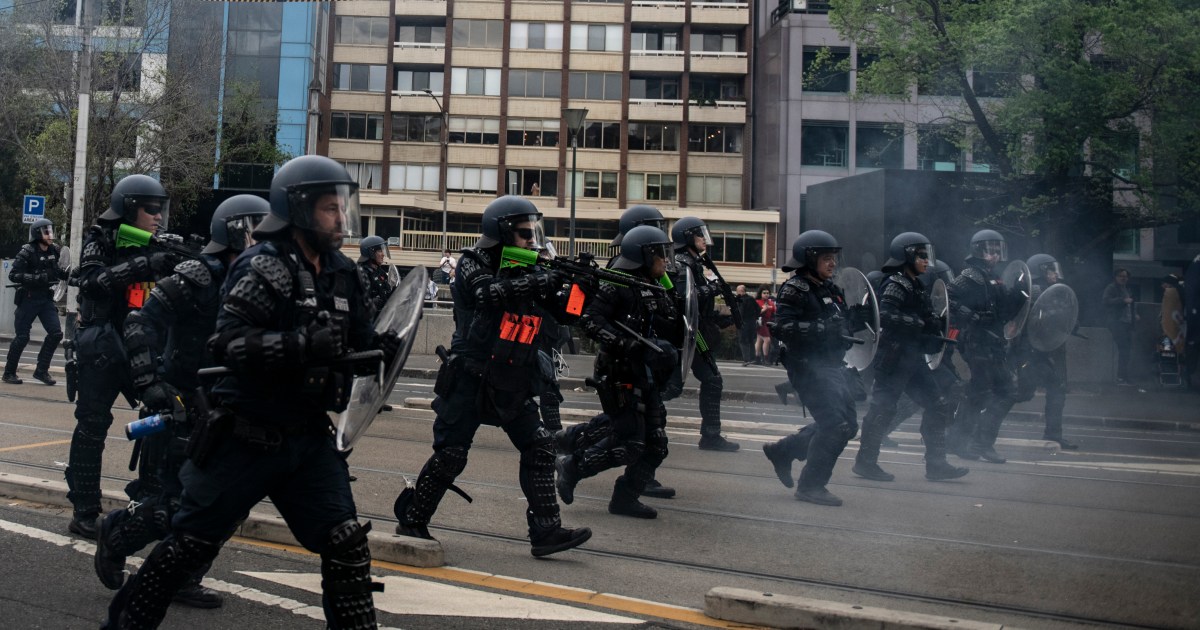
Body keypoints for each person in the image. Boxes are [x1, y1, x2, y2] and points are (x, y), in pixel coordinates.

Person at [101, 155, 398, 629]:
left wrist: (379, 347)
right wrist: (301, 344)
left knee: (345, 542)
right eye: (330, 209)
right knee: (188, 547)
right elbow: (228, 342)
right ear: (298, 209)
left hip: (307, 436)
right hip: (245, 437)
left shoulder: (342, 271)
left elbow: (360, 336)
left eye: (344, 207)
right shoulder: (265, 265)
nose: (342, 218)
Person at [93, 195, 270, 608]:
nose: (261, 239)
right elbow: (141, 321)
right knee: (178, 503)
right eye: (253, 229)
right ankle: (116, 534)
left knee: (232, 503)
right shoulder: (199, 275)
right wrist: (151, 382)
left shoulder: (259, 279)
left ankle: (185, 575)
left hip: (229, 403)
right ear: (233, 231)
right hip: (184, 401)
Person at [393, 195, 591, 558]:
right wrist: (544, 277)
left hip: (510, 380)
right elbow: (488, 293)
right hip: (468, 378)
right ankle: (413, 519)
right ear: (501, 232)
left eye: (535, 233)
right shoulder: (473, 262)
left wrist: (579, 286)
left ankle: (546, 531)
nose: (532, 241)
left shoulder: (531, 269)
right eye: (523, 234)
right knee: (451, 455)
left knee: (540, 446)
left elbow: (568, 315)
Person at [66, 174, 184, 540]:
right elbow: (90, 281)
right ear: (130, 207)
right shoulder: (101, 238)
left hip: (140, 348)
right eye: (151, 209)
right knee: (92, 426)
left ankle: (148, 502)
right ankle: (85, 510)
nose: (158, 217)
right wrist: (145, 265)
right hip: (101, 346)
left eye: (161, 209)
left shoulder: (157, 245)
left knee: (162, 417)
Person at [555, 226, 681, 519]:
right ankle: (572, 466)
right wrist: (626, 343)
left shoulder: (652, 285)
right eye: (660, 253)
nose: (665, 260)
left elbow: (668, 321)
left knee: (657, 443)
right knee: (631, 442)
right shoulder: (617, 284)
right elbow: (588, 320)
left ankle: (626, 498)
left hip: (646, 371)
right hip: (619, 371)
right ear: (644, 255)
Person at [852, 232, 969, 483]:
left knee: (937, 404)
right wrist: (915, 322)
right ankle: (865, 462)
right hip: (894, 358)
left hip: (912, 358)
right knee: (883, 408)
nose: (927, 260)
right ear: (906, 255)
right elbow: (883, 315)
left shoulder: (915, 283)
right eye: (921, 255)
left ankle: (936, 464)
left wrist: (934, 325)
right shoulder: (896, 282)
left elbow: (927, 317)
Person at [761, 231, 860, 506]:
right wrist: (820, 328)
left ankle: (783, 450)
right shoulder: (796, 288)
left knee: (849, 425)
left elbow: (840, 325)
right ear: (810, 259)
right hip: (808, 369)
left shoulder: (829, 288)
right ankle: (811, 486)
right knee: (835, 426)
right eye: (826, 258)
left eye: (834, 258)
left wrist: (855, 321)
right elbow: (781, 328)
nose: (832, 264)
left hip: (832, 366)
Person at [947, 229, 1025, 464]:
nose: (995, 255)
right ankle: (974, 442)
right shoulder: (970, 276)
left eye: (997, 250)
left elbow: (1004, 314)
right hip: (976, 342)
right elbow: (946, 299)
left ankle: (964, 440)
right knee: (988, 392)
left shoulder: (995, 278)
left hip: (992, 343)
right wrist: (970, 315)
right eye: (990, 250)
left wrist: (1022, 293)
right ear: (978, 251)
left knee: (999, 392)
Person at [667, 216, 740, 452]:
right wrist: (712, 288)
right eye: (700, 235)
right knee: (674, 386)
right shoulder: (681, 263)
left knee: (710, 380)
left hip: (697, 331)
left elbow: (699, 306)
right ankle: (635, 422)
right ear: (687, 237)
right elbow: (682, 299)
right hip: (691, 334)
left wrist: (720, 318)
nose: (704, 240)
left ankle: (711, 435)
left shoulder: (695, 262)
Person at [1012, 254, 1078, 450]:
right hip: (1026, 352)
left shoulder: (1053, 293)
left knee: (1053, 388)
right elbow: (1031, 321)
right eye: (1051, 270)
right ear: (1041, 271)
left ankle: (1054, 434)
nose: (1055, 274)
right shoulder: (1031, 292)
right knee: (1018, 393)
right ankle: (972, 422)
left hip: (1040, 352)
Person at [3, 218, 68, 385]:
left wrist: (71, 275)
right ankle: (9, 373)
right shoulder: (27, 251)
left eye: (51, 231)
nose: (50, 234)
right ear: (38, 234)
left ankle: (41, 371)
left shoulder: (54, 250)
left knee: (56, 333)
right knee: (22, 337)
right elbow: (14, 275)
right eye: (47, 231)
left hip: (46, 300)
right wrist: (36, 278)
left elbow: (58, 272)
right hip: (28, 299)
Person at [1102, 268, 1138, 384]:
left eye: (1125, 276)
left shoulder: (1127, 289)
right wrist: (1123, 300)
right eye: (1121, 276)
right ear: (1116, 277)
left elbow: (1129, 305)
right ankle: (1121, 376)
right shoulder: (1111, 288)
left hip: (1126, 323)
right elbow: (1106, 301)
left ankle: (1123, 375)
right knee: (1124, 349)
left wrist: (1134, 315)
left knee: (1127, 350)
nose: (1123, 278)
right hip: (1117, 322)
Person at [358, 235, 395, 312]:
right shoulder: (361, 273)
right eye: (380, 251)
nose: (383, 254)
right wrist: (372, 302)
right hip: (370, 318)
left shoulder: (380, 272)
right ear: (371, 252)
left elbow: (387, 292)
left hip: (383, 316)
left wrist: (396, 291)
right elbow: (357, 301)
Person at [735, 284, 759, 364]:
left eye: (737, 291)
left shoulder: (741, 300)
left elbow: (740, 312)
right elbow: (758, 309)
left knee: (743, 341)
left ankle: (746, 359)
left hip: (743, 323)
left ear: (741, 291)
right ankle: (753, 358)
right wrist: (756, 318)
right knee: (751, 341)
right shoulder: (751, 299)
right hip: (752, 323)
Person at [755, 287, 776, 365]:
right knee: (767, 340)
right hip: (761, 322)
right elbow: (755, 312)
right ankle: (765, 359)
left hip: (768, 323)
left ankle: (757, 358)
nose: (766, 294)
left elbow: (774, 311)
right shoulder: (757, 302)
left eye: (767, 293)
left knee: (759, 340)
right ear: (760, 294)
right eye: (764, 293)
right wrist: (764, 309)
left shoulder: (770, 302)